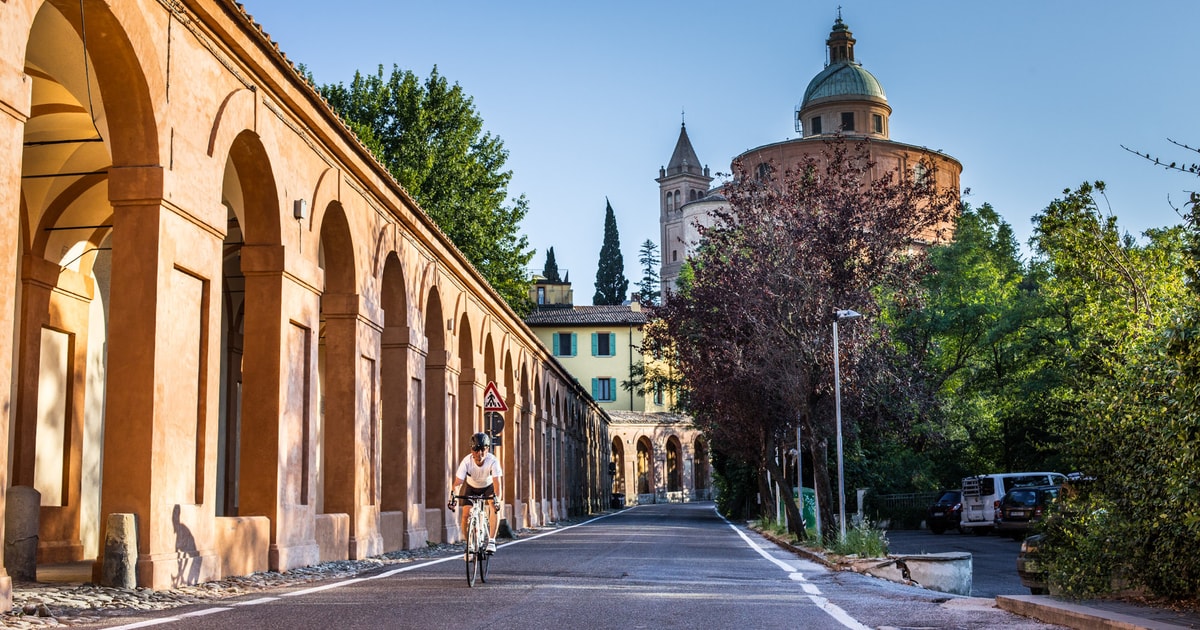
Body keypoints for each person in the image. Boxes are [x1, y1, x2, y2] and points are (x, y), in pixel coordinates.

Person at [448, 432, 504, 553]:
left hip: (488, 486)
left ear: (487, 449)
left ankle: (492, 541)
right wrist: (453, 499)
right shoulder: (466, 462)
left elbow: (497, 484)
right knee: (466, 513)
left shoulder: (493, 461)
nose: (480, 454)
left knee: (494, 506)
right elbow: (458, 483)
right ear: (471, 450)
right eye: (476, 450)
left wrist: (497, 499)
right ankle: (468, 544)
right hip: (472, 487)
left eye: (483, 450)